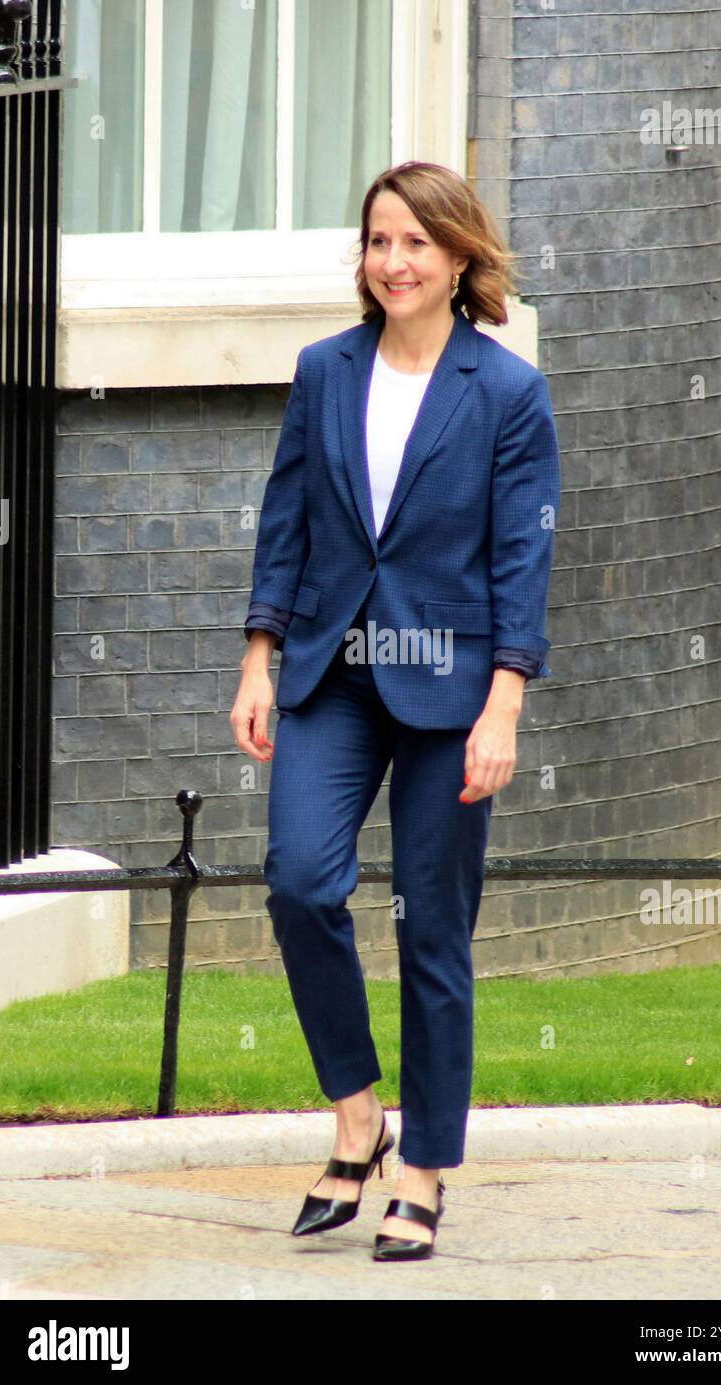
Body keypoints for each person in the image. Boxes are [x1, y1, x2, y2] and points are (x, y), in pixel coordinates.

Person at [230, 161, 560, 1261]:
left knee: (432, 929)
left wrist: (502, 702)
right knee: (297, 882)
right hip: (331, 672)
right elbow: (287, 519)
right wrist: (258, 657)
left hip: (451, 684)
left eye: (415, 243)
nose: (393, 262)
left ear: (458, 257)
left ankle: (421, 1167)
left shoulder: (503, 390)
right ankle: (357, 1115)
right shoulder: (324, 372)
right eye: (378, 241)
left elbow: (521, 554)